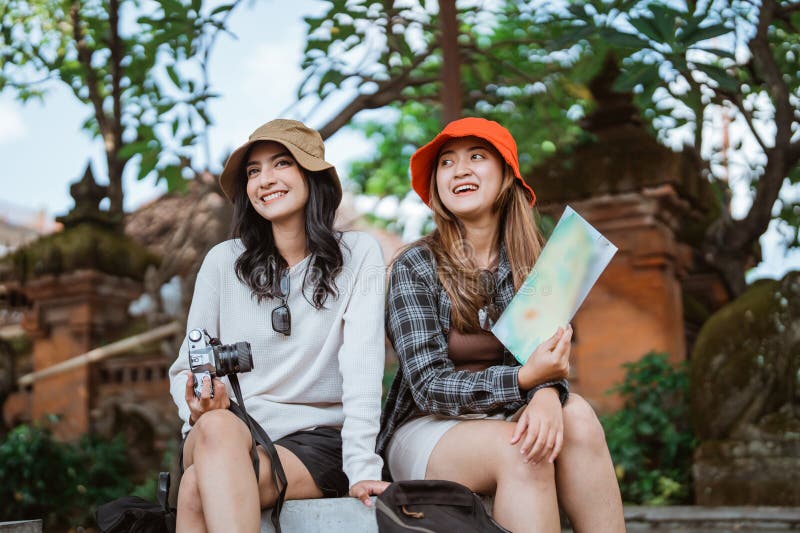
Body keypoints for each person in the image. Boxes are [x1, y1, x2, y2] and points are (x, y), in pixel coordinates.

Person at [378, 117, 625, 533]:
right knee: (523, 450)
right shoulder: (414, 265)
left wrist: (546, 393)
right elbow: (428, 384)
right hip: (427, 426)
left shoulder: (538, 263)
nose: (460, 170)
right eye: (447, 163)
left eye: (477, 156)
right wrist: (526, 381)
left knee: (578, 416)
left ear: (507, 176)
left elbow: (547, 358)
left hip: (507, 413)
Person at [168, 119, 388, 532]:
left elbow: (362, 369)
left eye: (281, 164)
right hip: (226, 428)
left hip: (313, 442)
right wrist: (196, 404)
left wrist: (361, 467)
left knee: (198, 486)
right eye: (253, 171)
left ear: (311, 175)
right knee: (216, 428)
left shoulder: (358, 256)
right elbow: (186, 366)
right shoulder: (222, 262)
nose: (264, 180)